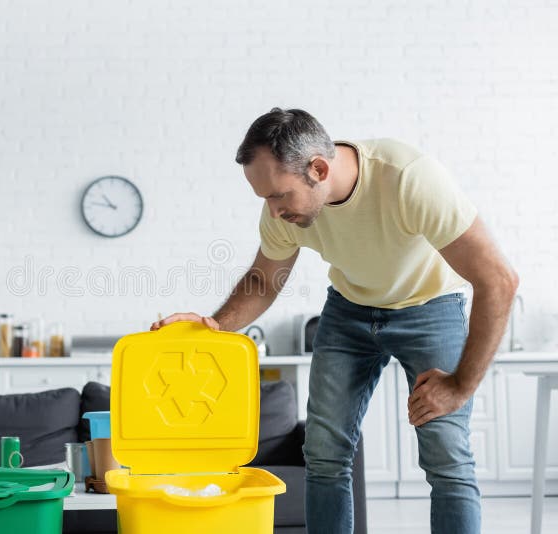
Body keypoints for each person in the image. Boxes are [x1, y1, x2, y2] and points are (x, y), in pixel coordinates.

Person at [152, 108, 518, 534]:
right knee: (324, 452)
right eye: (265, 199)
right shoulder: (286, 210)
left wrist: (459, 386)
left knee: (446, 454)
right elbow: (263, 281)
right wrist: (212, 326)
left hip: (428, 306)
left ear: (319, 169)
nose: (273, 212)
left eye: (278, 196)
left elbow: (499, 280)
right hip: (349, 310)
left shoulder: (408, 179)